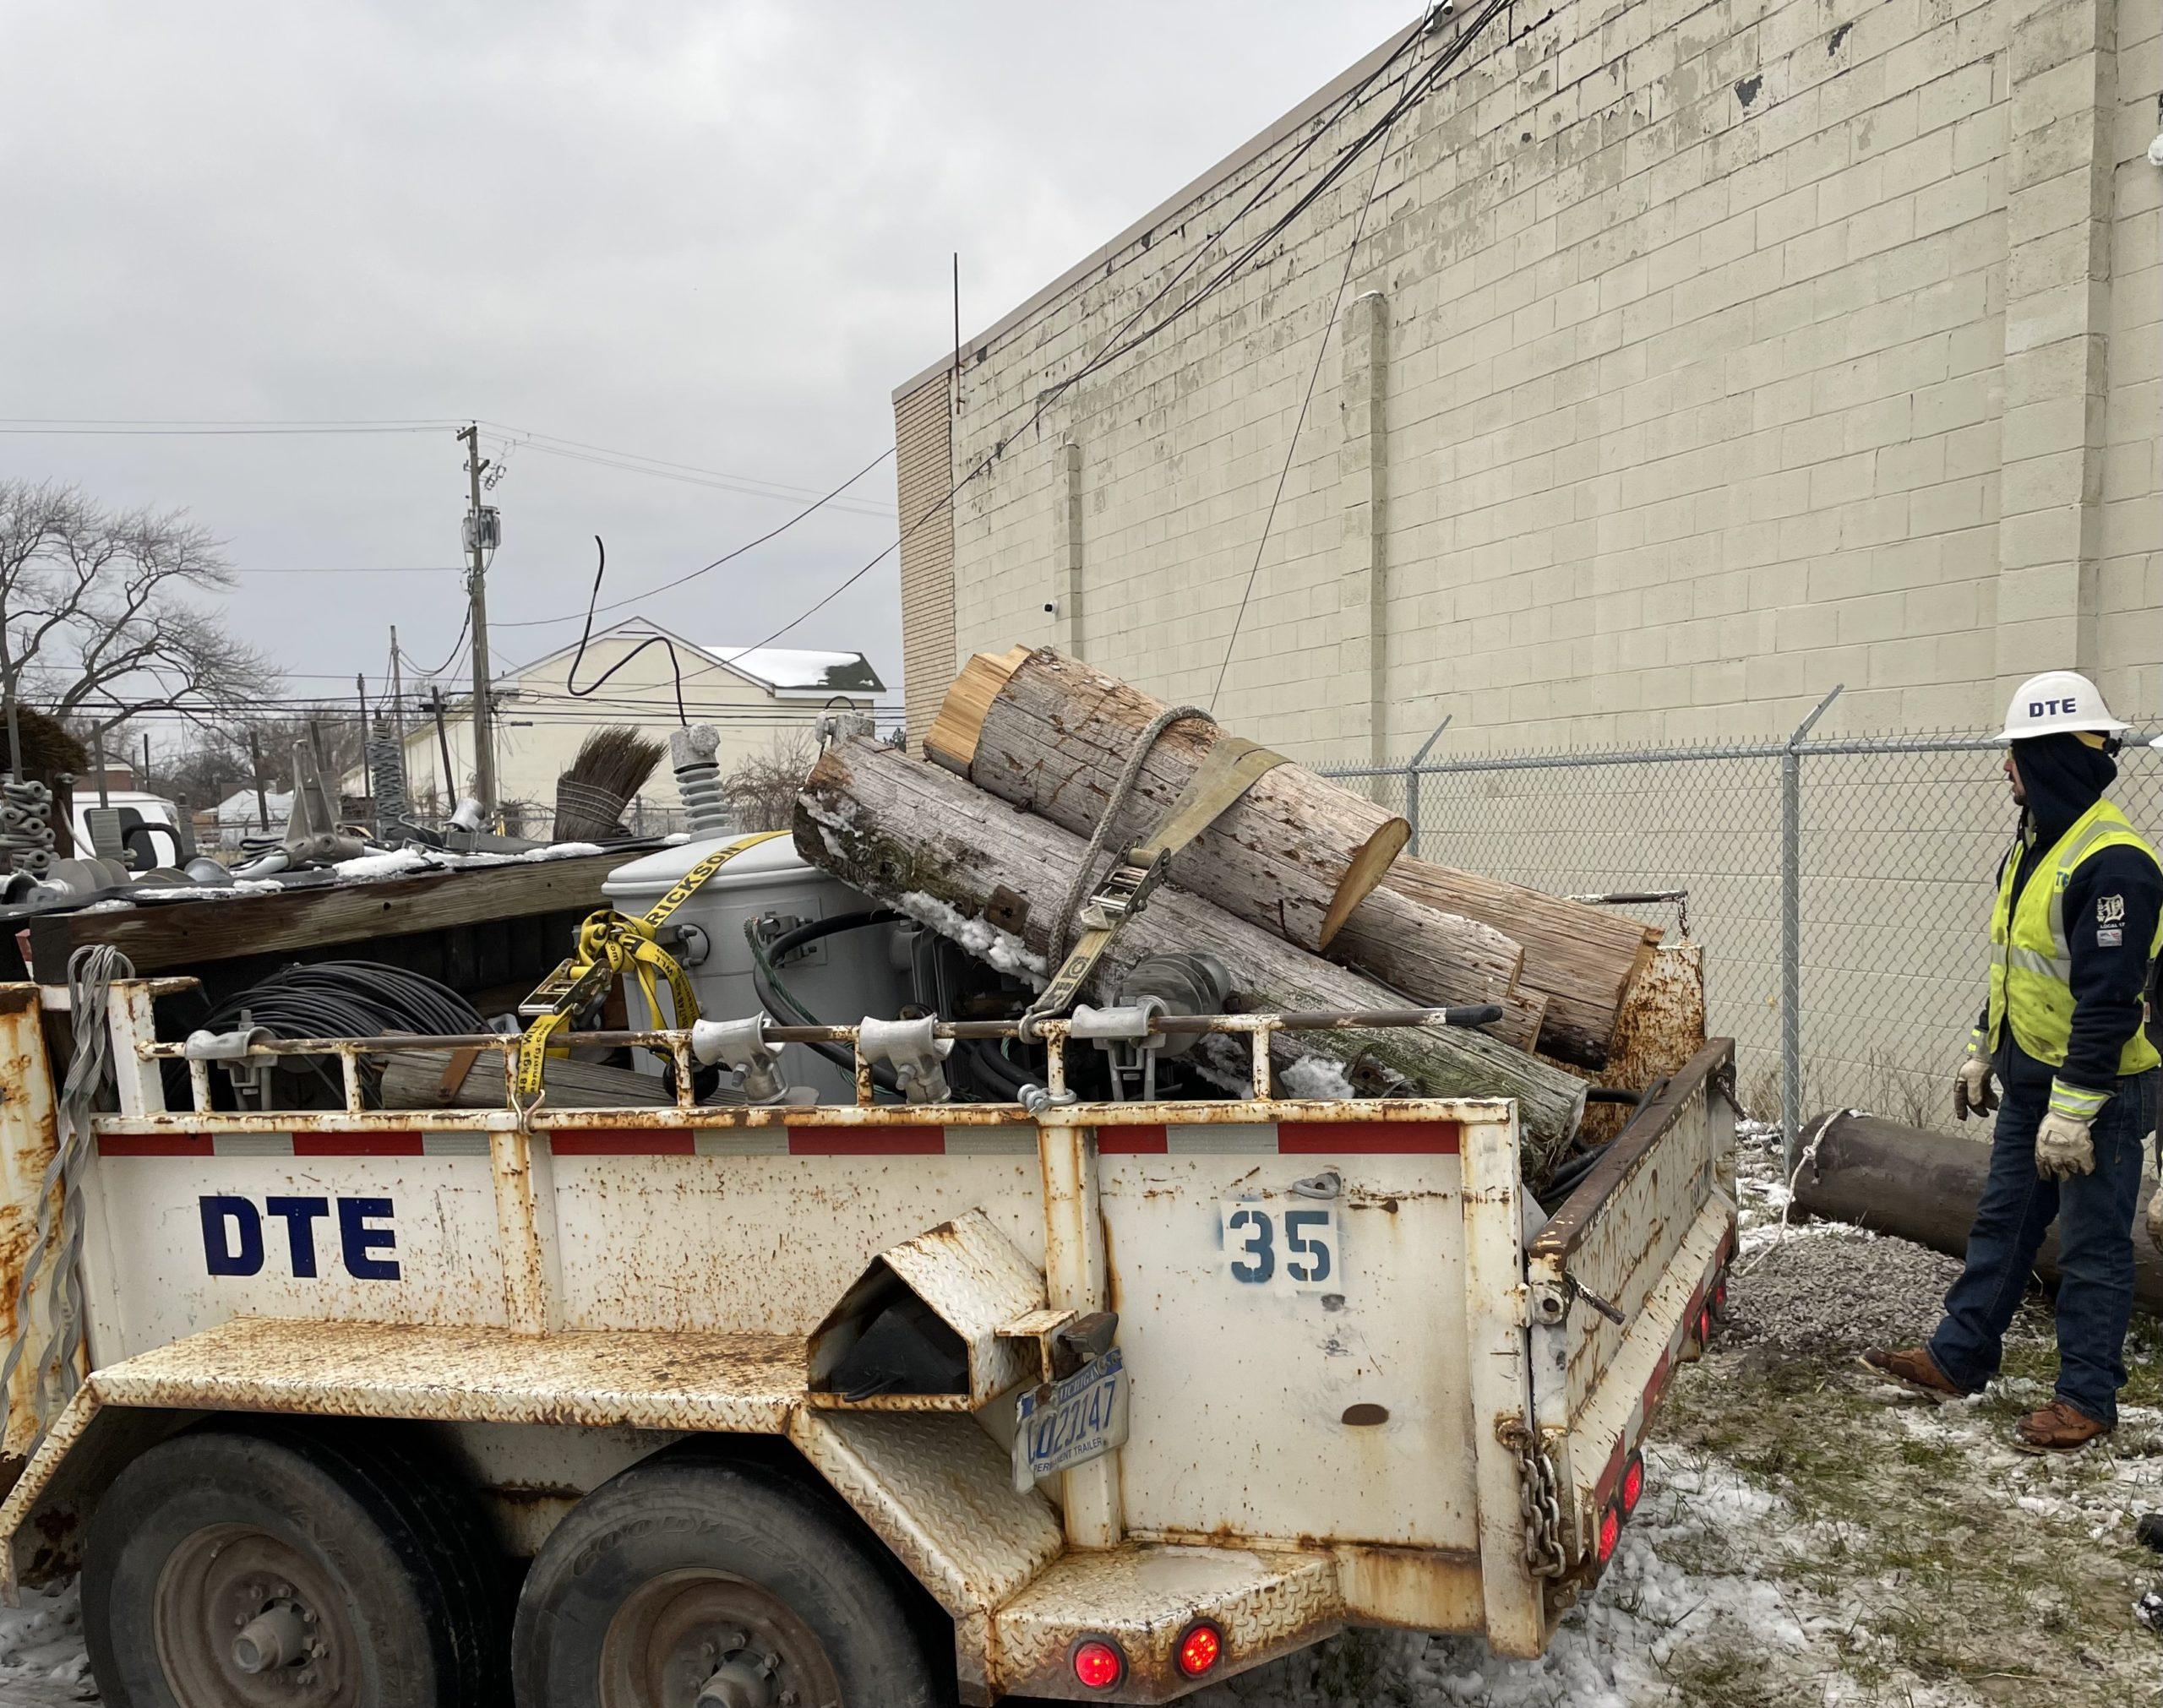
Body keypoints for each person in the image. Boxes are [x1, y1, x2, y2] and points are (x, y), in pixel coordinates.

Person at [1865, 671, 2161, 1452]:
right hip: (2035, 1077)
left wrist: (2074, 1110)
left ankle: (2087, 1399)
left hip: (2101, 1091)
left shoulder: (2117, 866)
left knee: (2094, 1248)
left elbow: (2107, 1000)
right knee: (2003, 1223)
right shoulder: (2034, 849)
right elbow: (2011, 968)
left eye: (2018, 755)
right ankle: (1958, 1358)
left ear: (2056, 758)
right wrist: (1982, 1053)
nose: (2005, 771)